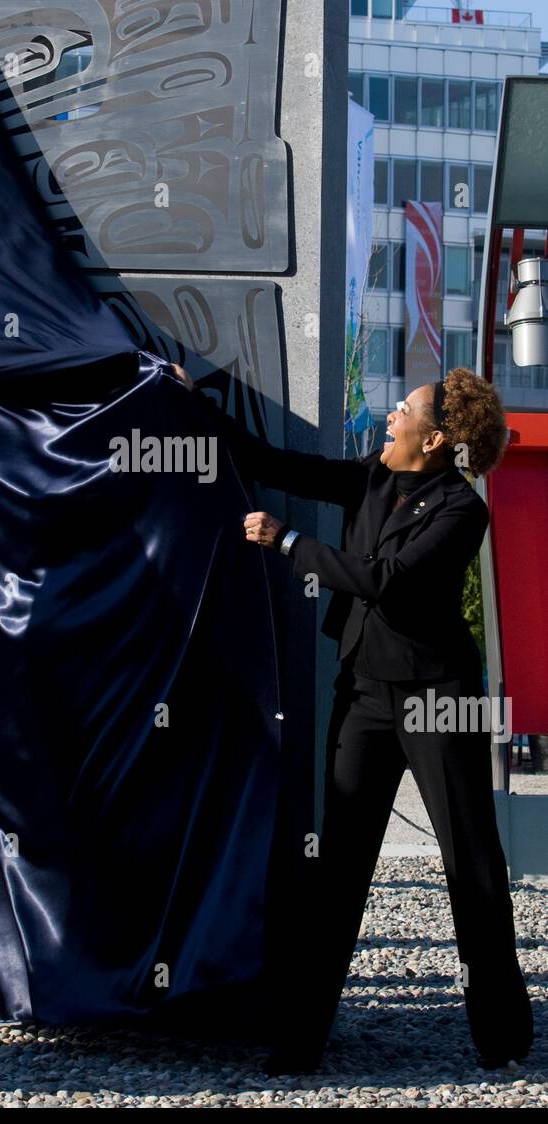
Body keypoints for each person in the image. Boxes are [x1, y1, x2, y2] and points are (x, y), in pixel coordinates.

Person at [172, 362, 533, 1074]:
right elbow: (274, 463)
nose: (392, 413)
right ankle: (300, 1040)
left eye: (406, 409)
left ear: (433, 440)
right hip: (366, 692)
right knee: (338, 867)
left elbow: (386, 582)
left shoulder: (464, 510)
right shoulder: (371, 474)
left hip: (438, 695)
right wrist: (190, 405)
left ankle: (503, 1033)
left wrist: (286, 543)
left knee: (473, 863)